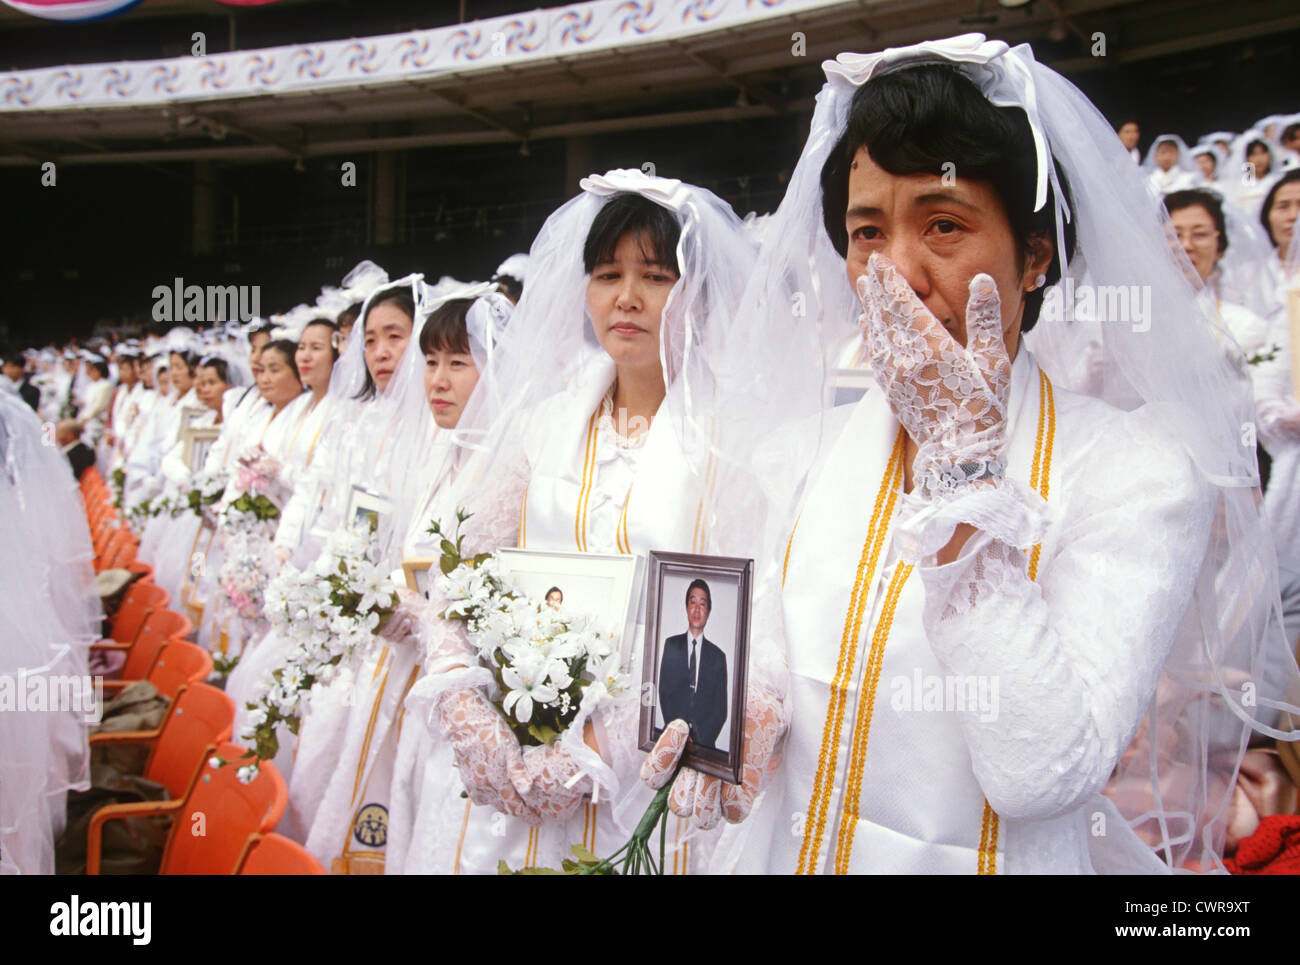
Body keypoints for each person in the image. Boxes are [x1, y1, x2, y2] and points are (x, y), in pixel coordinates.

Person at [701, 34, 1300, 875]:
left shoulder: (1139, 469)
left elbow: (1044, 771)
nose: (895, 274)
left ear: (1033, 256)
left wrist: (959, 474)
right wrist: (743, 708)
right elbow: (748, 649)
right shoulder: (796, 453)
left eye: (942, 225)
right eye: (867, 231)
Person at [396, 172, 763, 875]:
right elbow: (464, 571)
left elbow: (727, 636)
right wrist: (468, 707)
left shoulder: (729, 446)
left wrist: (597, 744)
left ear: (702, 294)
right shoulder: (544, 423)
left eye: (656, 276)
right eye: (607, 274)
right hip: (519, 747)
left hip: (644, 772)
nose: (626, 297)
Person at [658, 578, 728, 750]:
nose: (697, 610)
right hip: (672, 742)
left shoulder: (718, 657)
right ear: (686, 607)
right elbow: (664, 692)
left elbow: (720, 710)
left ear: (709, 610)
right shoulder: (671, 645)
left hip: (705, 746)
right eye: (692, 602)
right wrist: (677, 735)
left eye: (702, 604)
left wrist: (699, 740)